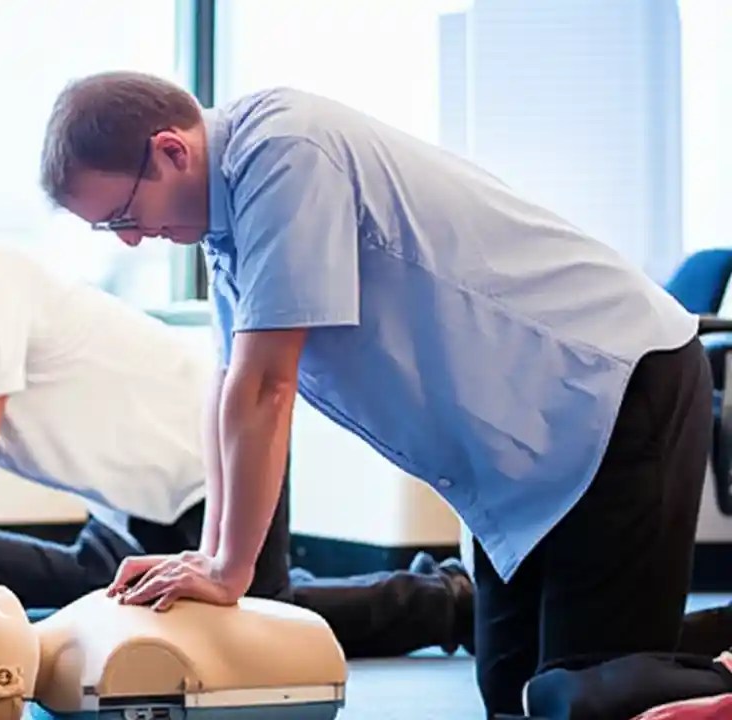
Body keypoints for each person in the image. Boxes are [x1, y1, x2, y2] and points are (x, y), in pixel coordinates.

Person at [37, 72, 710, 716]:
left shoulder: (283, 153)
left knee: (589, 692)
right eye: (108, 229)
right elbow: (227, 388)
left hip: (610, 388)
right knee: (512, 686)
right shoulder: (224, 224)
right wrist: (207, 553)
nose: (131, 238)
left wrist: (231, 569)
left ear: (171, 151)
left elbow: (267, 385)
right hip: (527, 449)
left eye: (124, 213)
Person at [0, 215, 474, 659]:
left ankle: (450, 602)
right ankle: (431, 595)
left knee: (261, 616)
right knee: (114, 595)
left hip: (207, 444)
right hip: (125, 490)